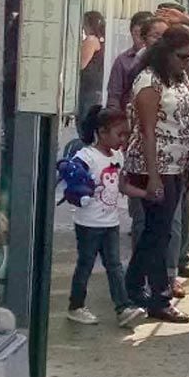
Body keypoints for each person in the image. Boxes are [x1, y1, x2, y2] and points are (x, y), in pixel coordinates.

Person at [123, 25, 189, 323]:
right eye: (182, 57)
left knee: (158, 231)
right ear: (166, 53)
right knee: (159, 232)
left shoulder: (178, 76)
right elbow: (147, 132)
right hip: (153, 165)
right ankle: (158, 297)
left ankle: (134, 286)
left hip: (177, 164)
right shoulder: (148, 81)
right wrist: (154, 176)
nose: (187, 62)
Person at [66, 105, 146, 328]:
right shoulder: (87, 156)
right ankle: (76, 306)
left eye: (125, 134)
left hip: (110, 222)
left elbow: (122, 186)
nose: (123, 139)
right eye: (119, 134)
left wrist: (145, 194)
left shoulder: (117, 156)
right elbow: (72, 177)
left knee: (114, 265)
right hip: (88, 224)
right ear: (102, 132)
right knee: (86, 264)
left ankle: (123, 308)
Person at [106, 10, 152, 112]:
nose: (142, 39)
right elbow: (114, 95)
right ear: (131, 33)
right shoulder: (122, 61)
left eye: (146, 35)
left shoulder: (161, 61)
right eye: (138, 34)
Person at [77, 11, 106, 119]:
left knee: (84, 119)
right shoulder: (102, 40)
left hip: (87, 88)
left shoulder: (91, 40)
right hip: (96, 86)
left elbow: (81, 64)